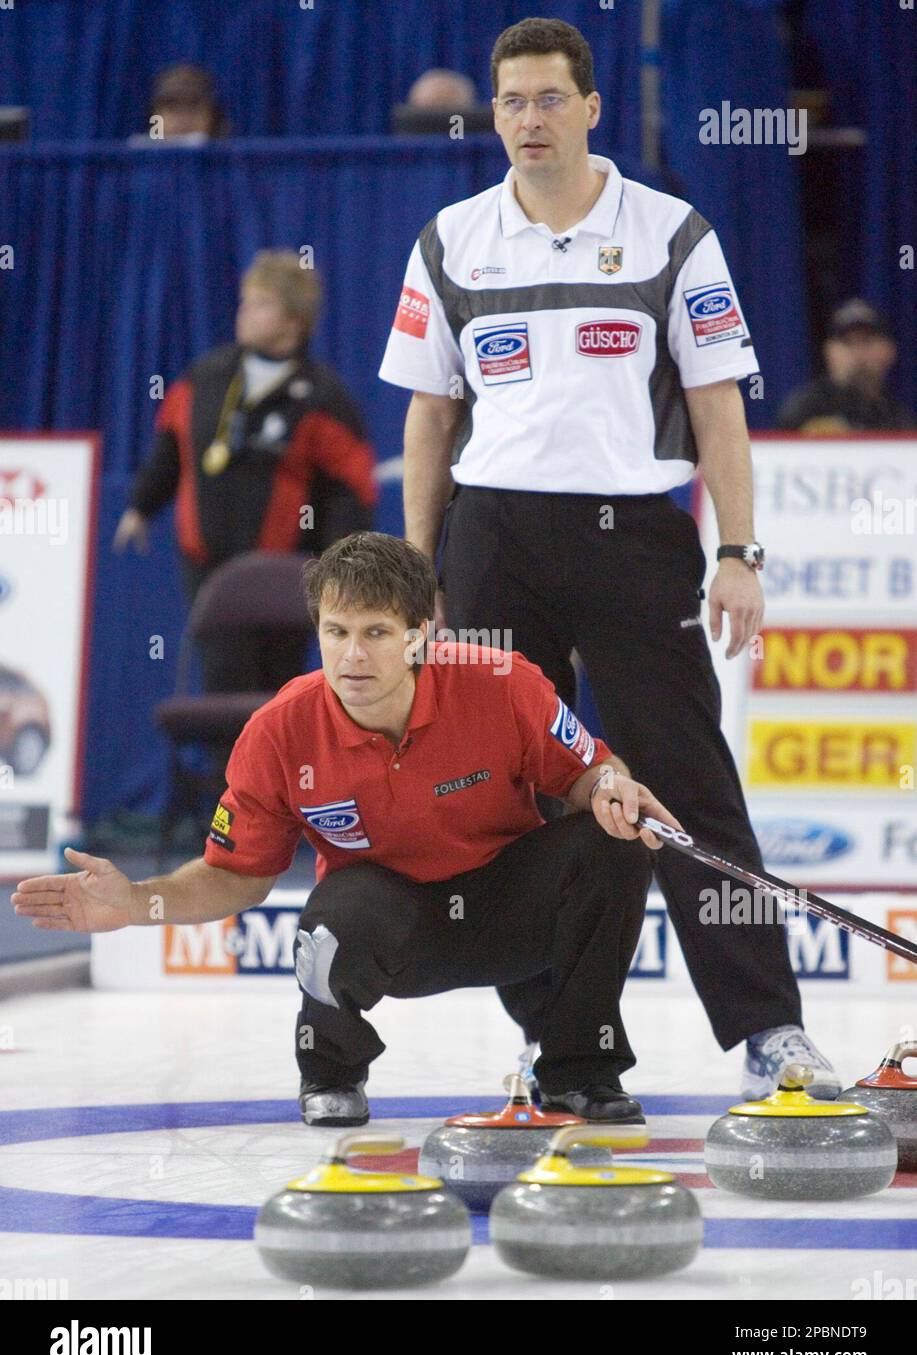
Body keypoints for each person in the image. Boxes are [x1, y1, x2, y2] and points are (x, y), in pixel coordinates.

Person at [378, 15, 841, 1100]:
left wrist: (737, 551)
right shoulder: (451, 238)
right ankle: (569, 1044)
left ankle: (768, 1030)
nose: (528, 120)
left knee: (683, 782)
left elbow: (720, 410)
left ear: (591, 107)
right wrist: (413, 568)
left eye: (548, 99)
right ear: (489, 114)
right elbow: (428, 421)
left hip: (632, 540)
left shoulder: (672, 231)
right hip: (490, 538)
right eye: (509, 102)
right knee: (514, 797)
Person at [12, 532, 681, 1127]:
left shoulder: (502, 684)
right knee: (336, 917)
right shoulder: (279, 730)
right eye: (335, 632)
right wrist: (137, 901)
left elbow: (588, 773)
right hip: (391, 929)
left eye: (376, 633)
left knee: (612, 840)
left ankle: (578, 1072)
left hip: (509, 909)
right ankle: (331, 1071)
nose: (351, 656)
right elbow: (233, 877)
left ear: (421, 634)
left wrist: (610, 790)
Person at [114, 250, 378, 694]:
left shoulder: (324, 397)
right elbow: (169, 448)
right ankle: (228, 767)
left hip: (287, 575)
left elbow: (352, 488)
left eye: (261, 303)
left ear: (295, 320)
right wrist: (141, 506)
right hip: (207, 564)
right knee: (222, 681)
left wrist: (338, 563)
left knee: (279, 692)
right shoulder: (205, 377)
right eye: (245, 300)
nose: (244, 312)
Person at [777, 298, 915, 432]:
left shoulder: (899, 420)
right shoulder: (804, 412)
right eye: (847, 343)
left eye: (867, 341)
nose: (857, 353)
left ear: (889, 350)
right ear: (828, 351)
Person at [128, 64, 229, 145]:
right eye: (172, 108)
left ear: (212, 117)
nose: (183, 118)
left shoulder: (232, 163)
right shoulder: (134, 159)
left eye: (193, 107)